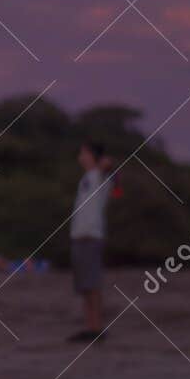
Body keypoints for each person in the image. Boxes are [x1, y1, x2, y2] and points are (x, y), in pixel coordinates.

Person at [68, 141, 112, 341]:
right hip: (79, 237)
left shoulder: (101, 177)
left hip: (92, 237)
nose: (81, 156)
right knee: (84, 286)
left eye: (84, 153)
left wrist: (104, 165)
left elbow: (110, 172)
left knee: (93, 284)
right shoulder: (85, 178)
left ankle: (96, 328)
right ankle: (90, 326)